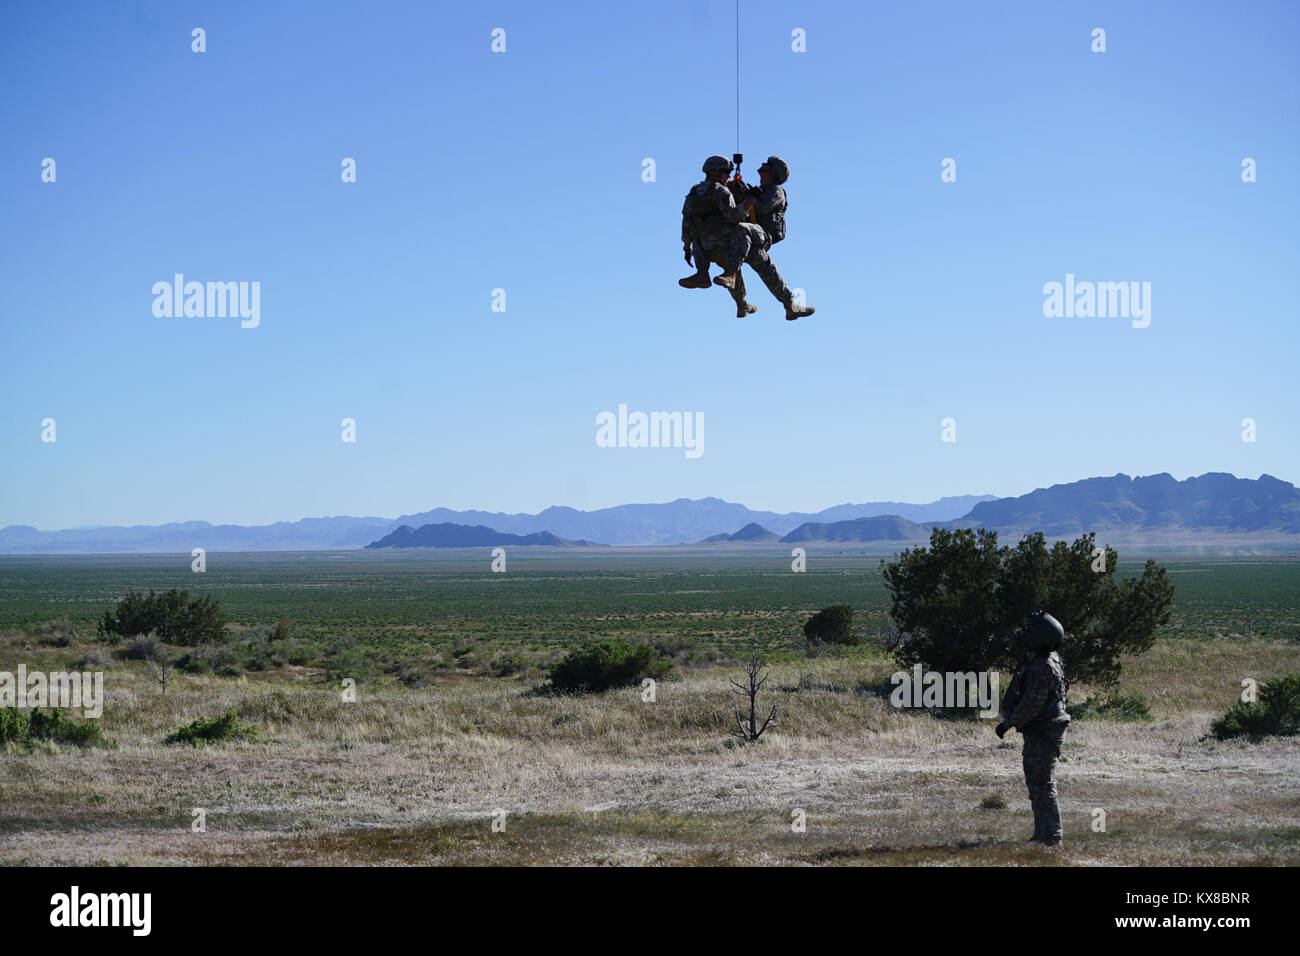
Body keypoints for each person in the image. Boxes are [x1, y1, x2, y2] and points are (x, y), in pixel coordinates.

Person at [996, 611, 1070, 846]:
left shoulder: (1043, 666)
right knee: (1038, 783)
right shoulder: (1046, 660)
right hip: (1044, 729)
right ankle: (1043, 834)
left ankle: (1050, 836)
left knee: (1042, 783)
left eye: (1030, 631)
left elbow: (1031, 704)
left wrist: (1007, 724)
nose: (1025, 636)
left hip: (1044, 730)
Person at [711, 156, 814, 321]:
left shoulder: (776, 191)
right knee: (767, 269)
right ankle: (788, 306)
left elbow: (761, 207)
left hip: (763, 235)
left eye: (768, 164)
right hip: (749, 240)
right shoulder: (760, 190)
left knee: (742, 229)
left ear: (773, 172)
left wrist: (748, 195)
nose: (763, 164)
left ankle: (729, 275)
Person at [679, 155, 758, 317]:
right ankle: (742, 303)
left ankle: (702, 274)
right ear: (715, 172)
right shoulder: (721, 191)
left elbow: (686, 223)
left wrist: (687, 249)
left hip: (703, 247)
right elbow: (734, 216)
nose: (729, 176)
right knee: (732, 270)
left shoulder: (693, 193)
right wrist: (751, 199)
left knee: (730, 273)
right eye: (725, 172)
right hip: (727, 244)